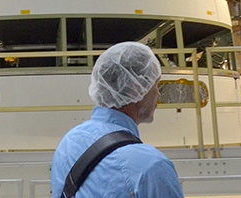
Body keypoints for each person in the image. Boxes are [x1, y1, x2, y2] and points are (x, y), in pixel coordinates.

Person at [51, 42, 182, 198]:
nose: (158, 94)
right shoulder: (151, 166)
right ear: (137, 88)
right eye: (155, 84)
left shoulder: (69, 143)